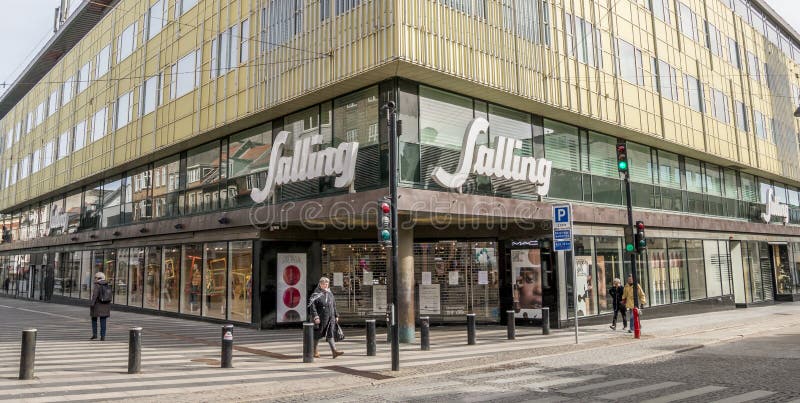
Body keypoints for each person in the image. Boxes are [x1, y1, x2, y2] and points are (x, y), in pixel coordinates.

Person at [308, 277, 343, 358]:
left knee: (330, 334)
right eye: (324, 284)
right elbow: (312, 307)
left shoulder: (330, 293)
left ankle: (334, 352)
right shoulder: (315, 294)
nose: (326, 285)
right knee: (318, 335)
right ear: (320, 284)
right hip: (321, 318)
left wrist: (336, 315)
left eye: (327, 284)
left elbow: (334, 305)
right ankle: (314, 351)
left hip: (331, 318)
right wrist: (316, 317)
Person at [89, 272, 112, 341]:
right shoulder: (107, 285)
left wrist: (92, 304)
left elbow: (95, 296)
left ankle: (95, 334)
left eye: (95, 277)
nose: (95, 279)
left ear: (98, 278)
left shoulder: (97, 285)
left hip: (97, 305)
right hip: (106, 305)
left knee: (94, 320)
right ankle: (103, 336)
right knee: (103, 321)